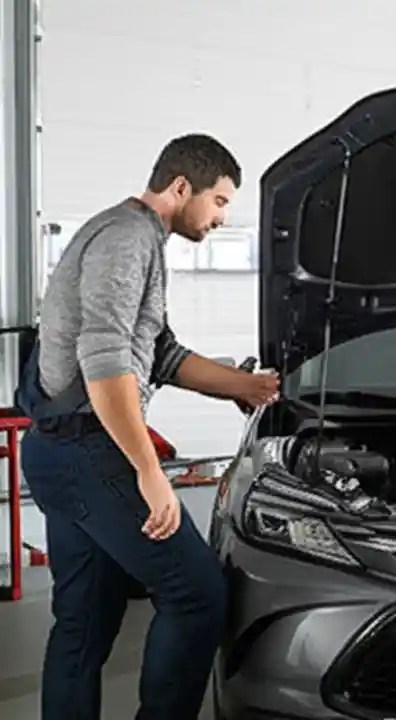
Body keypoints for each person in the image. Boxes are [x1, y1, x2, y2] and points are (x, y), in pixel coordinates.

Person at [16, 134, 281, 720]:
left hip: (59, 451)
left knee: (85, 619)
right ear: (181, 188)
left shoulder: (133, 237)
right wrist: (149, 473)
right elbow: (105, 359)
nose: (222, 218)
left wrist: (246, 387)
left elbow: (157, 352)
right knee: (197, 596)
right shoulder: (127, 238)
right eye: (219, 201)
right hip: (92, 452)